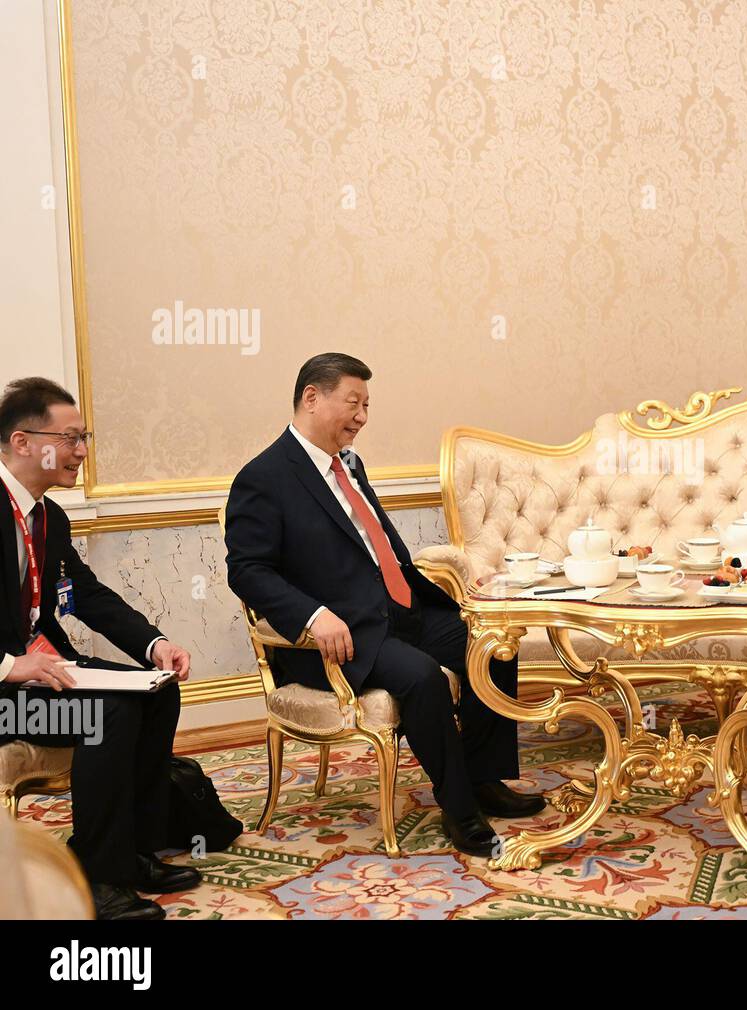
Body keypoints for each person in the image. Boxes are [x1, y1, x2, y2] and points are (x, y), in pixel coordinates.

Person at [224, 353, 544, 858]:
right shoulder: (264, 477)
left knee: (493, 648)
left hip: (398, 609)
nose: (363, 417)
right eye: (353, 403)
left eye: (367, 405)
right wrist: (312, 616)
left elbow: (376, 546)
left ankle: (484, 778)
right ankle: (460, 809)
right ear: (312, 397)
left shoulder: (350, 465)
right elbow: (247, 570)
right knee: (423, 678)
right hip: (338, 634)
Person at [0, 378, 197, 920]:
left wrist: (154, 644)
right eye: (70, 438)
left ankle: (136, 850)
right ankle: (97, 874)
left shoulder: (48, 516)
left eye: (83, 436)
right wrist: (11, 665)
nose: (82, 450)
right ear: (23, 441)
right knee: (106, 713)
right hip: (3, 688)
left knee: (156, 690)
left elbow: (87, 595)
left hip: (45, 669)